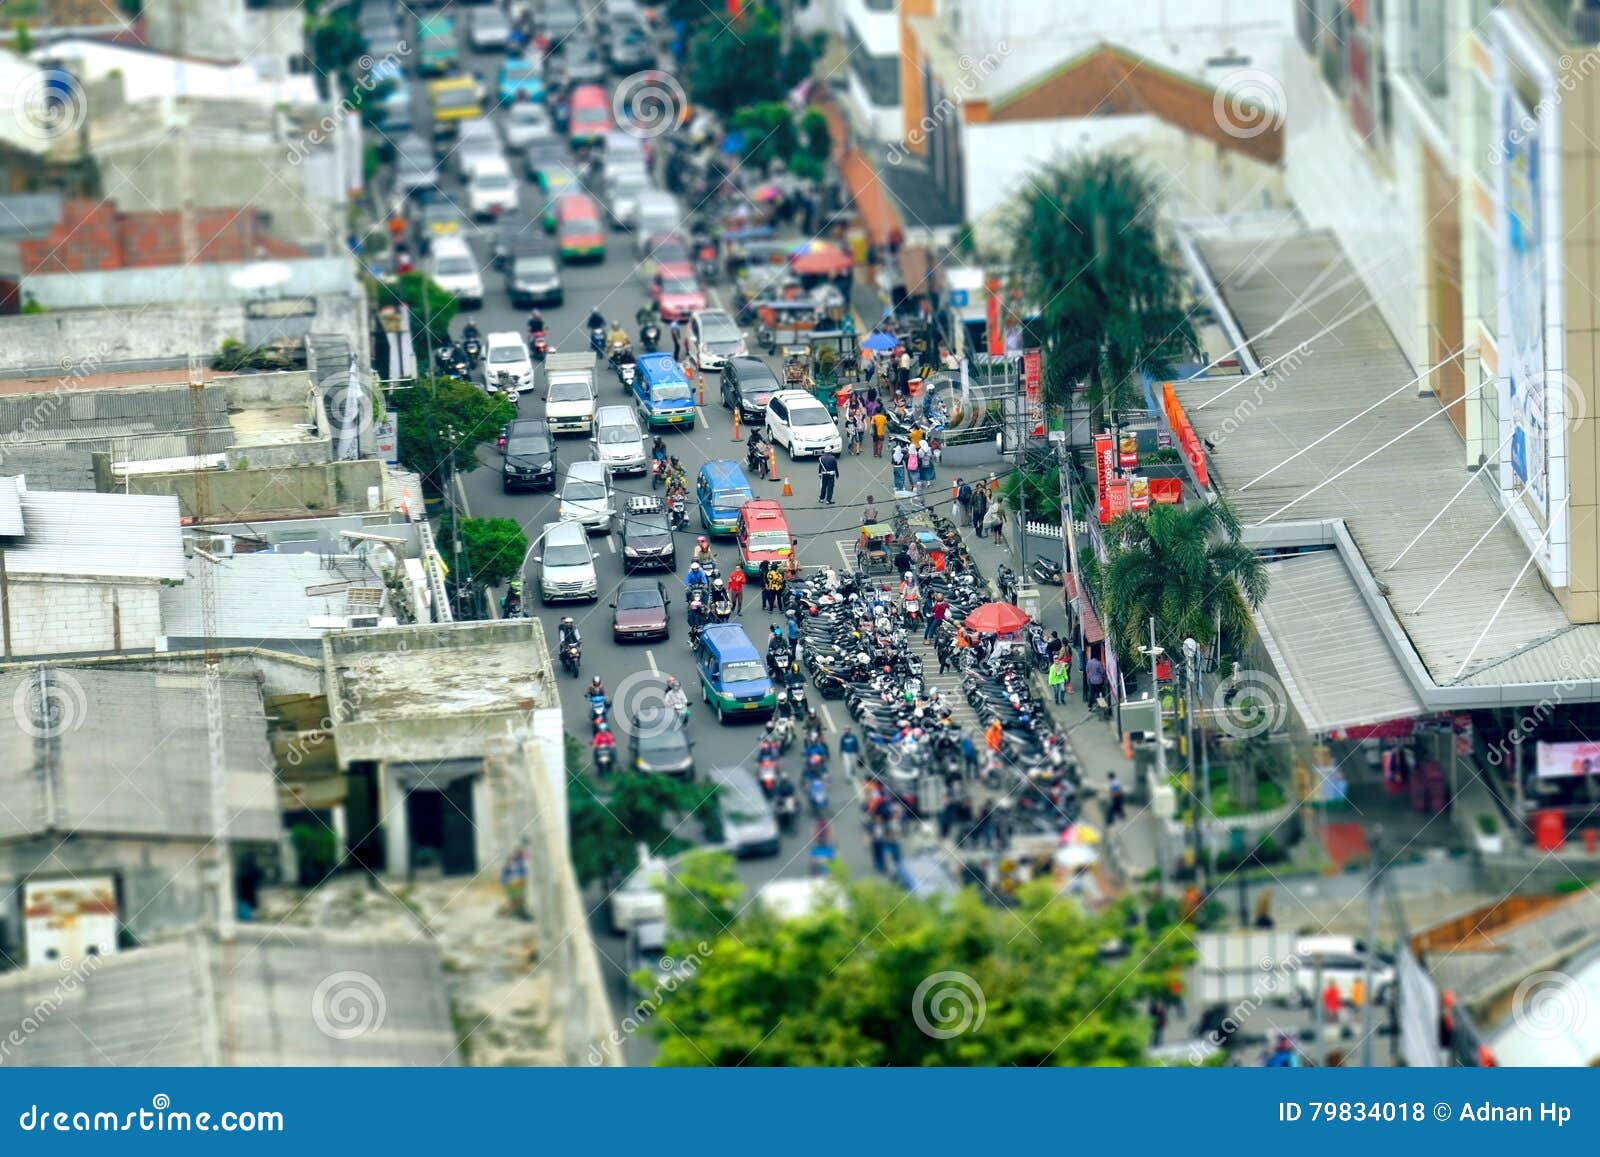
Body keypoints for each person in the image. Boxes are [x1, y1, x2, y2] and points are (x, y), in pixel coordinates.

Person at [501, 843, 530, 920]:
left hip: (520, 883)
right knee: (515, 900)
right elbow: (505, 876)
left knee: (520, 900)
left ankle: (519, 913)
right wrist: (507, 884)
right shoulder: (511, 863)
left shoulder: (522, 861)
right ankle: (513, 913)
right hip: (512, 884)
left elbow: (524, 870)